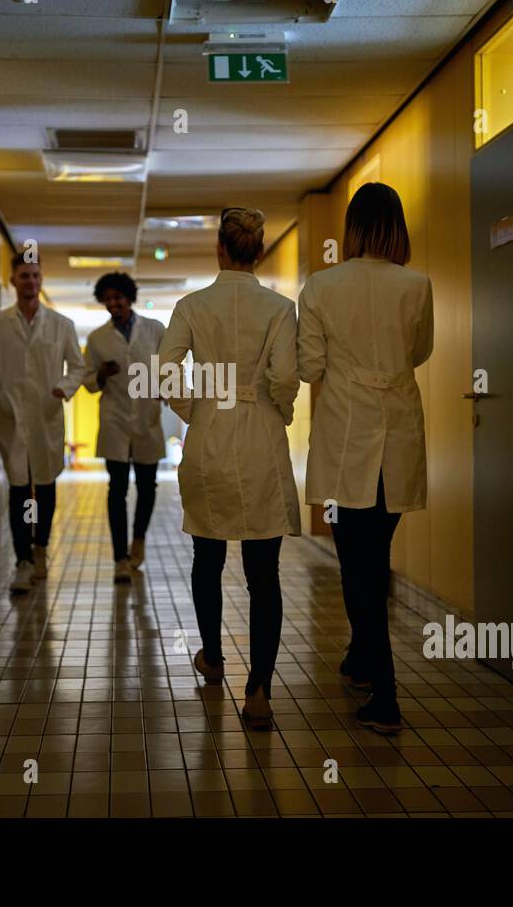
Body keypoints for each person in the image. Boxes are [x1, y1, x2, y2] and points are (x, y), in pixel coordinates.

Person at [297, 182, 433, 735]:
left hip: (349, 438)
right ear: (397, 226)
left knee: (360, 568)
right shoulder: (416, 284)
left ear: (351, 228)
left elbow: (309, 367)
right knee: (373, 555)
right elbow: (420, 352)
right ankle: (360, 660)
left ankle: (387, 695)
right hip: (398, 434)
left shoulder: (322, 285)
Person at [157, 207, 300, 730]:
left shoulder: (192, 306)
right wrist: (275, 410)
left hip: (210, 436)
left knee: (207, 555)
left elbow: (167, 373)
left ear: (220, 249)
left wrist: (196, 409)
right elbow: (286, 375)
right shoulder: (280, 308)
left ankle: (213, 659)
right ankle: (259, 690)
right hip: (261, 435)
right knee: (264, 571)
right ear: (258, 252)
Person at [0, 252, 85, 593]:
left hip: (47, 415)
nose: (31, 282)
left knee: (46, 487)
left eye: (36, 276)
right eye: (25, 276)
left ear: (42, 280)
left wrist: (62, 389)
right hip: (12, 417)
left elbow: (78, 368)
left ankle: (41, 548)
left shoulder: (61, 324)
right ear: (13, 281)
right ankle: (23, 561)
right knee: (20, 491)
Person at [82, 272, 166, 583]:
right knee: (116, 490)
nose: (113, 303)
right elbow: (88, 382)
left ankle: (138, 541)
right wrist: (101, 374)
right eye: (108, 299)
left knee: (147, 487)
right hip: (115, 419)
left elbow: (170, 366)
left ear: (130, 297)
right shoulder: (96, 338)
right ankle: (119, 557)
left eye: (119, 297)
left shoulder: (155, 330)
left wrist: (167, 387)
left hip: (147, 418)